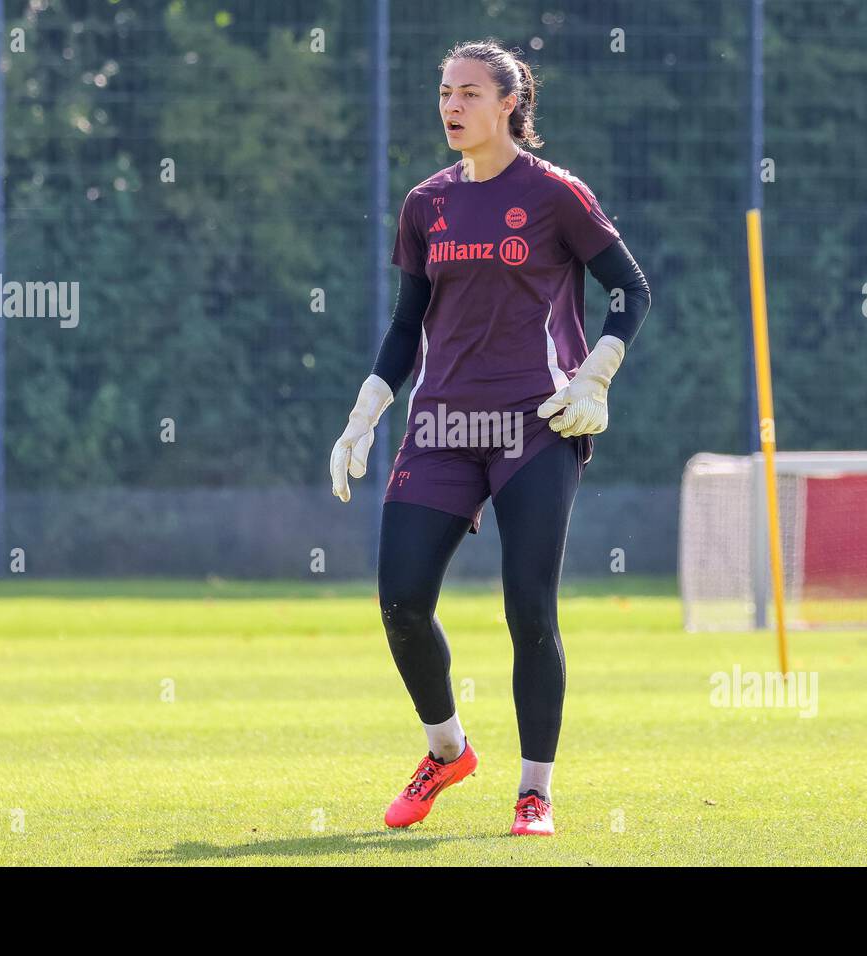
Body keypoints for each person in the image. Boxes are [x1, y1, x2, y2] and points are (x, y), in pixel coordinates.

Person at [329, 38, 651, 836]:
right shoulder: (425, 203)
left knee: (529, 609)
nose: (451, 105)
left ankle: (534, 791)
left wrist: (596, 375)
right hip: (439, 424)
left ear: (510, 102)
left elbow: (631, 289)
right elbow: (408, 324)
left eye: (469, 92)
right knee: (401, 600)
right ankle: (447, 750)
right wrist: (365, 412)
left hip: (535, 423)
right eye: (444, 91)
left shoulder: (555, 195)